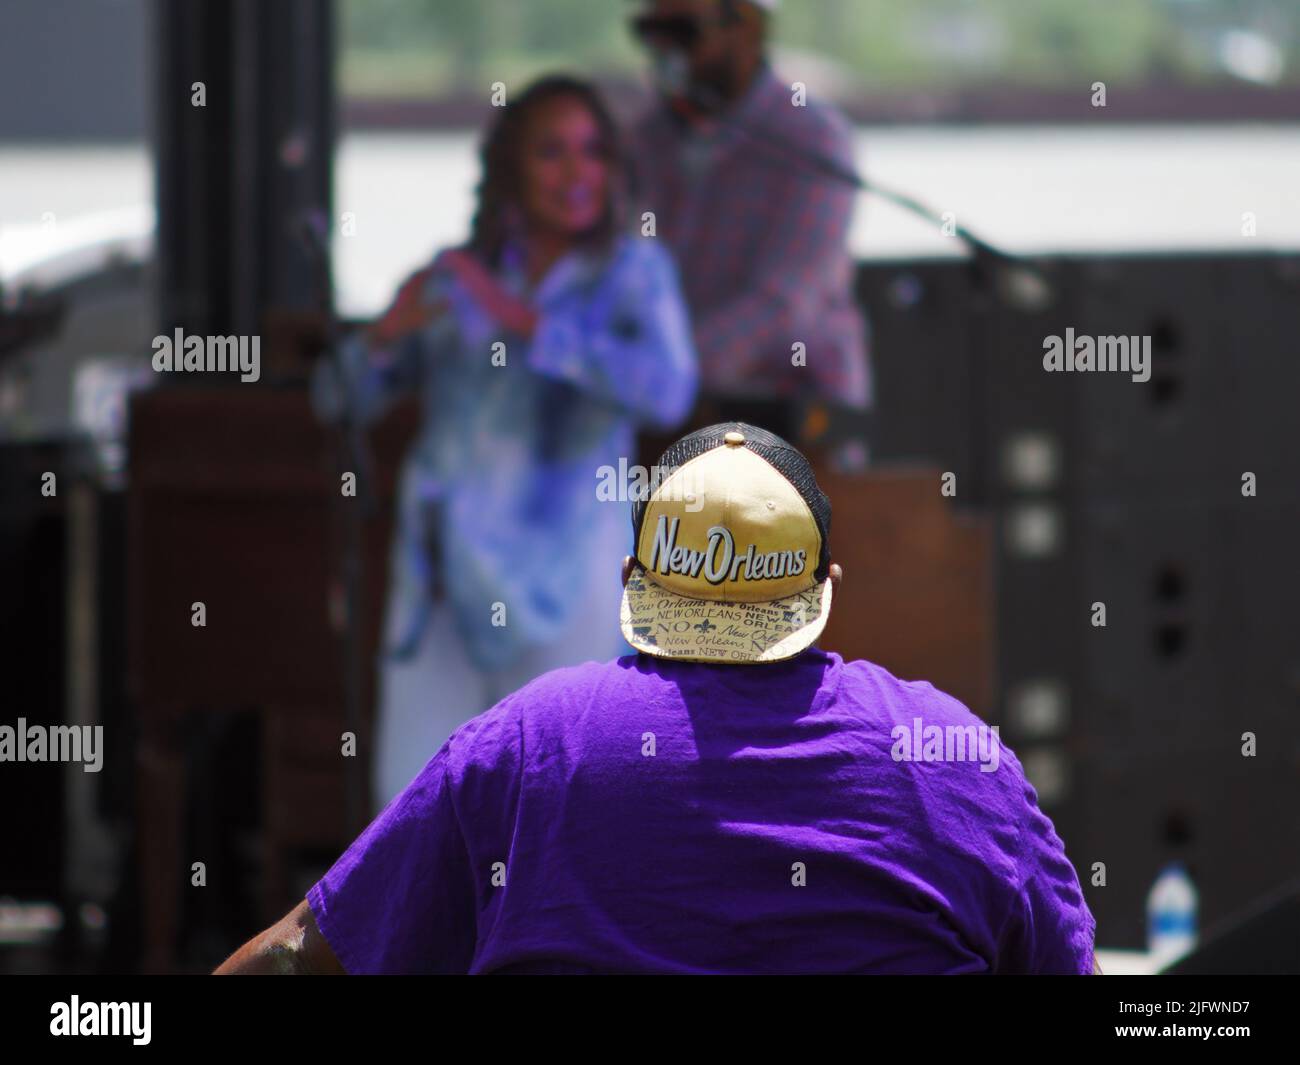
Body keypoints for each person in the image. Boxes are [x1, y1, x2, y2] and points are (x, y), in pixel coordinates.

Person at [217, 422, 1098, 974]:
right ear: (824, 587)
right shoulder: (951, 756)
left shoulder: (526, 744)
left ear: (638, 581)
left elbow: (300, 956)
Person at [312, 75, 698, 812]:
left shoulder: (633, 274)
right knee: (421, 802)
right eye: (551, 151)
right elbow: (338, 399)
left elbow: (667, 390)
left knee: (572, 797)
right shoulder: (457, 276)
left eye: (593, 152)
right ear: (511, 167)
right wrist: (384, 335)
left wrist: (524, 323)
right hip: (444, 580)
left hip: (570, 576)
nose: (576, 172)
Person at [628, 0, 871, 446]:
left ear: (746, 28)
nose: (662, 48)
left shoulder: (812, 139)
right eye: (648, 30)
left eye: (682, 30)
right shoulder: (642, 141)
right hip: (669, 411)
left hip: (792, 417)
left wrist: (664, 369)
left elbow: (783, 303)